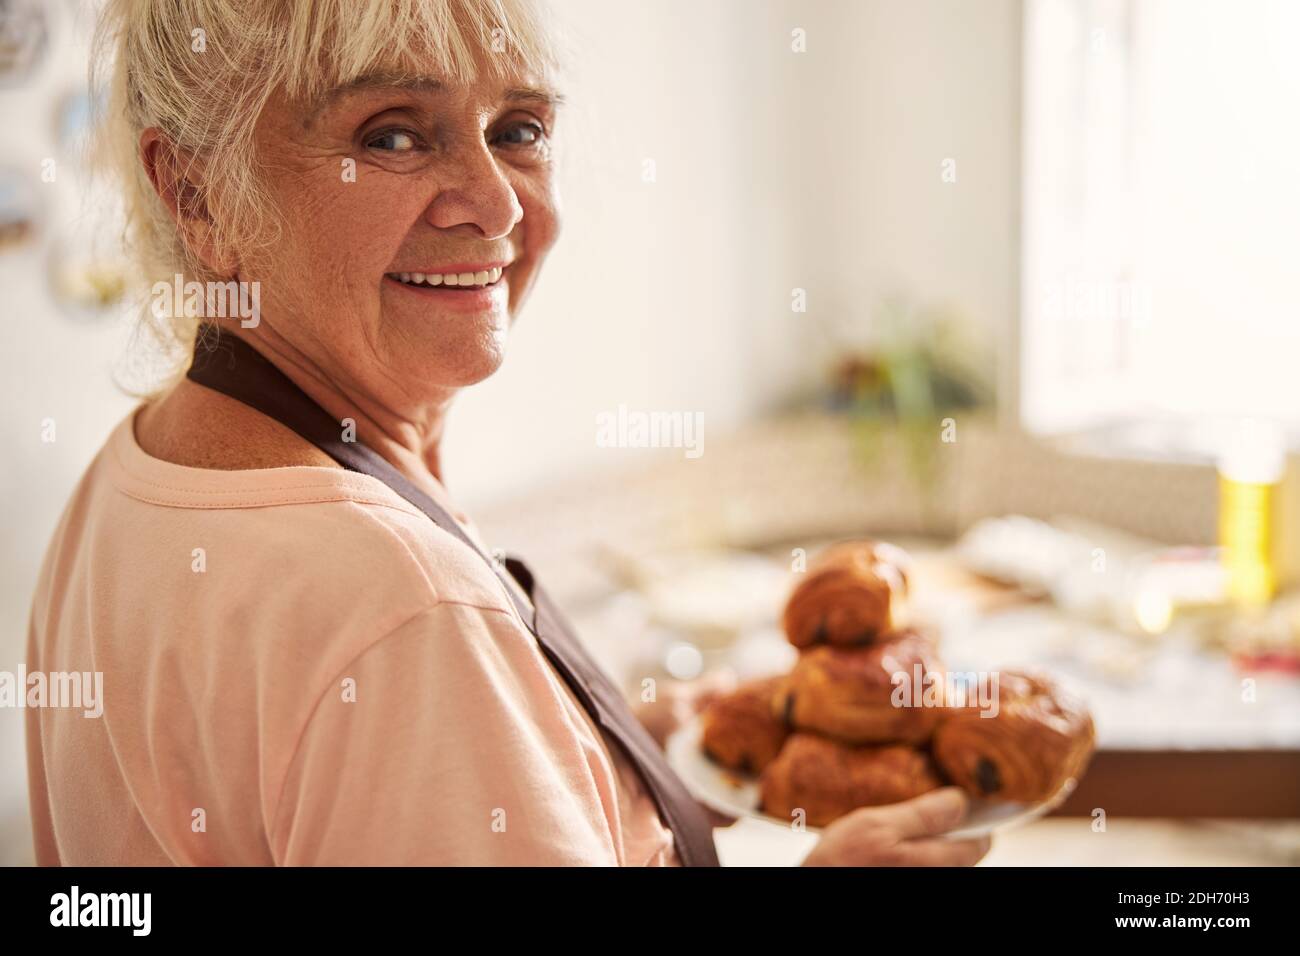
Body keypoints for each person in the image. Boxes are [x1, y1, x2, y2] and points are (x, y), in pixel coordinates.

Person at [25, 0, 990, 867]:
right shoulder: (400, 608)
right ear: (200, 195)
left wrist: (596, 775)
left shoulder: (137, 470)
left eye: (518, 129)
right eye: (395, 135)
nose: (498, 203)